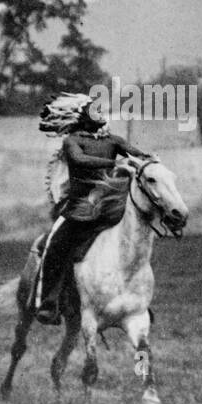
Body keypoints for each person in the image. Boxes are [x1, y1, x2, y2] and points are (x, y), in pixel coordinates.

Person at [34, 92, 146, 324]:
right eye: (93, 110)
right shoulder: (72, 142)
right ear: (82, 117)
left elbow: (135, 153)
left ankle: (137, 300)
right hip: (79, 210)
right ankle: (49, 302)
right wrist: (115, 162)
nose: (100, 112)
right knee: (53, 247)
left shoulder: (114, 140)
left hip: (110, 209)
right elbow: (80, 161)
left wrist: (146, 159)